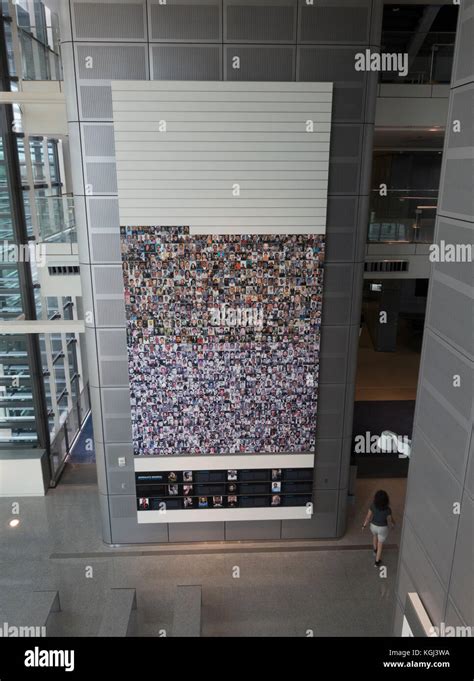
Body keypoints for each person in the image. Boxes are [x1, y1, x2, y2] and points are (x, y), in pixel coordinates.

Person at [362, 490, 395, 566]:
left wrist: (364, 525)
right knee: (380, 544)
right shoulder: (388, 510)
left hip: (373, 526)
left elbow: (368, 517)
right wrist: (393, 524)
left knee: (374, 536)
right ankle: (377, 562)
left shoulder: (372, 506)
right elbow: (390, 520)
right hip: (383, 528)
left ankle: (374, 550)